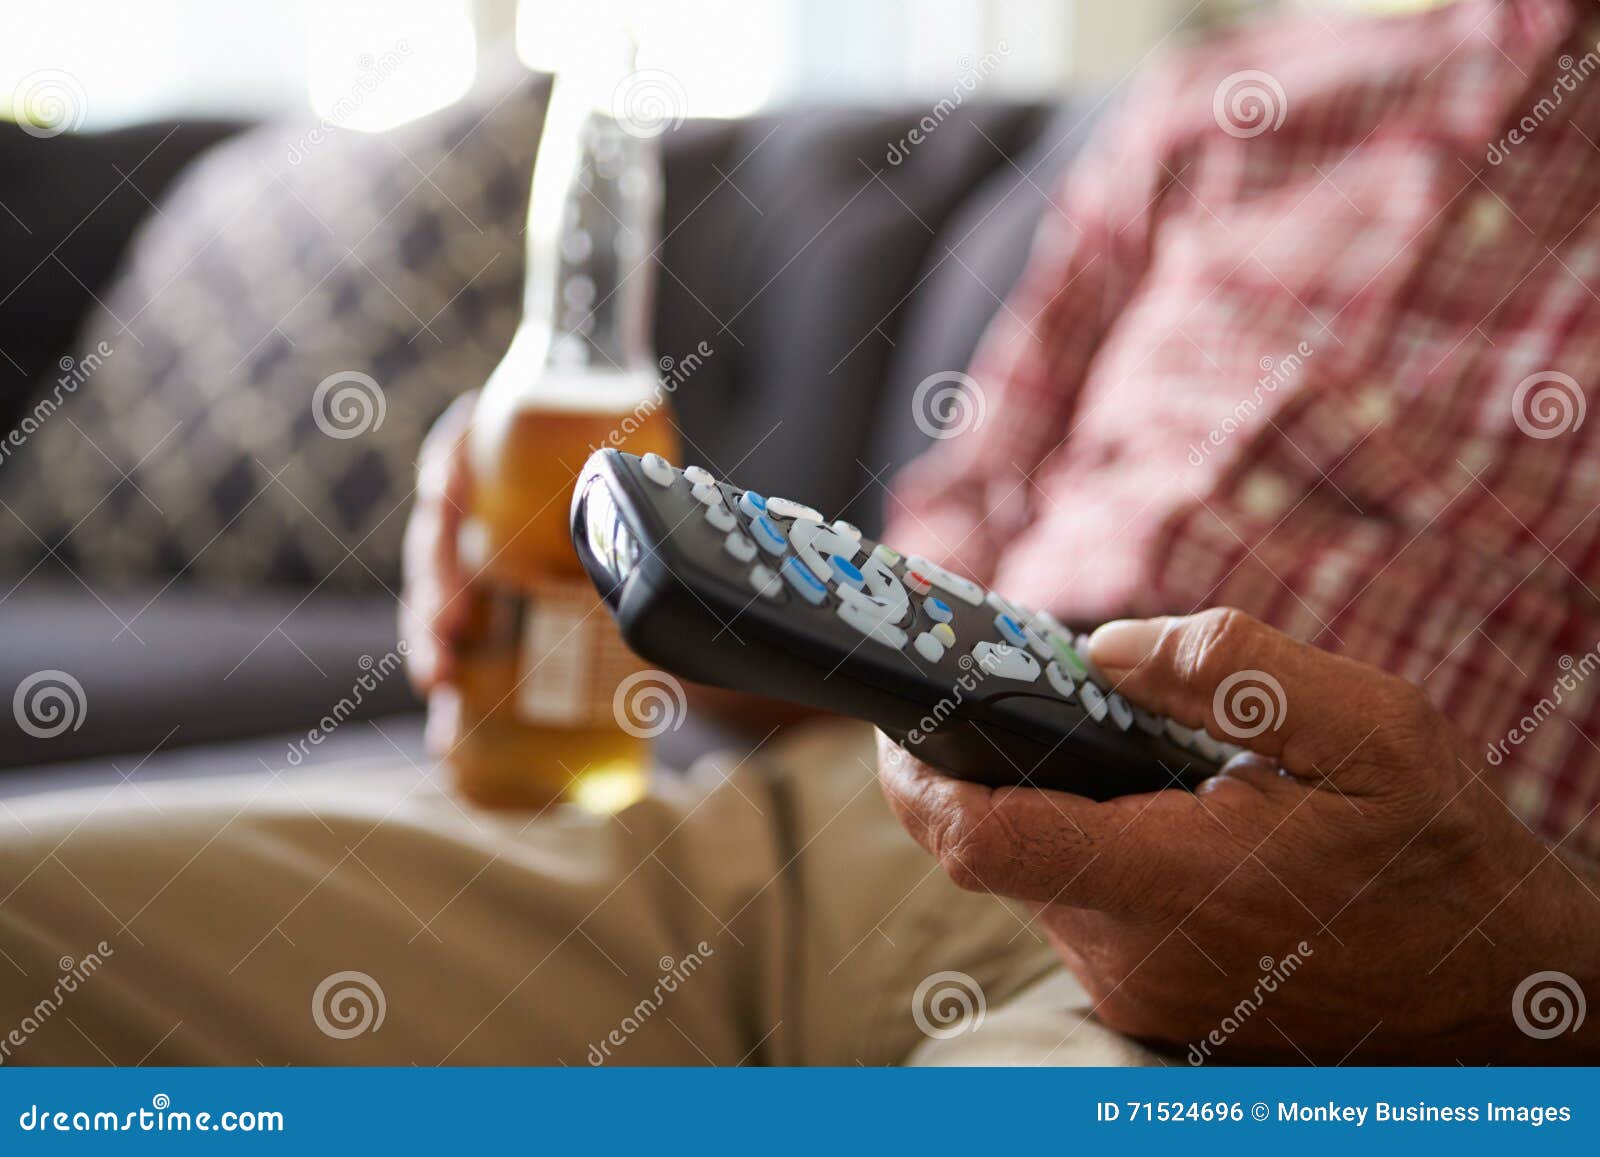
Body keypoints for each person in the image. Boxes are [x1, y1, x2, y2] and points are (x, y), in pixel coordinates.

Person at [2, 0, 1598, 1065]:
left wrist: (1531, 961)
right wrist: (730, 628)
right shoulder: (1225, 110)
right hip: (826, 819)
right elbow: (948, 564)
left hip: (1317, 982)